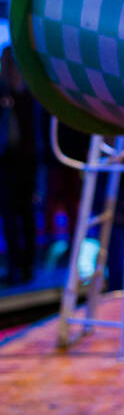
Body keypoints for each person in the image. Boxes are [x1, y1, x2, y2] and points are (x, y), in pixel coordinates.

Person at [0, 46, 37, 285]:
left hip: (19, 165)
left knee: (20, 215)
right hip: (14, 164)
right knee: (16, 215)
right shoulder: (16, 94)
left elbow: (32, 135)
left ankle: (23, 266)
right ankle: (20, 266)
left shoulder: (25, 97)